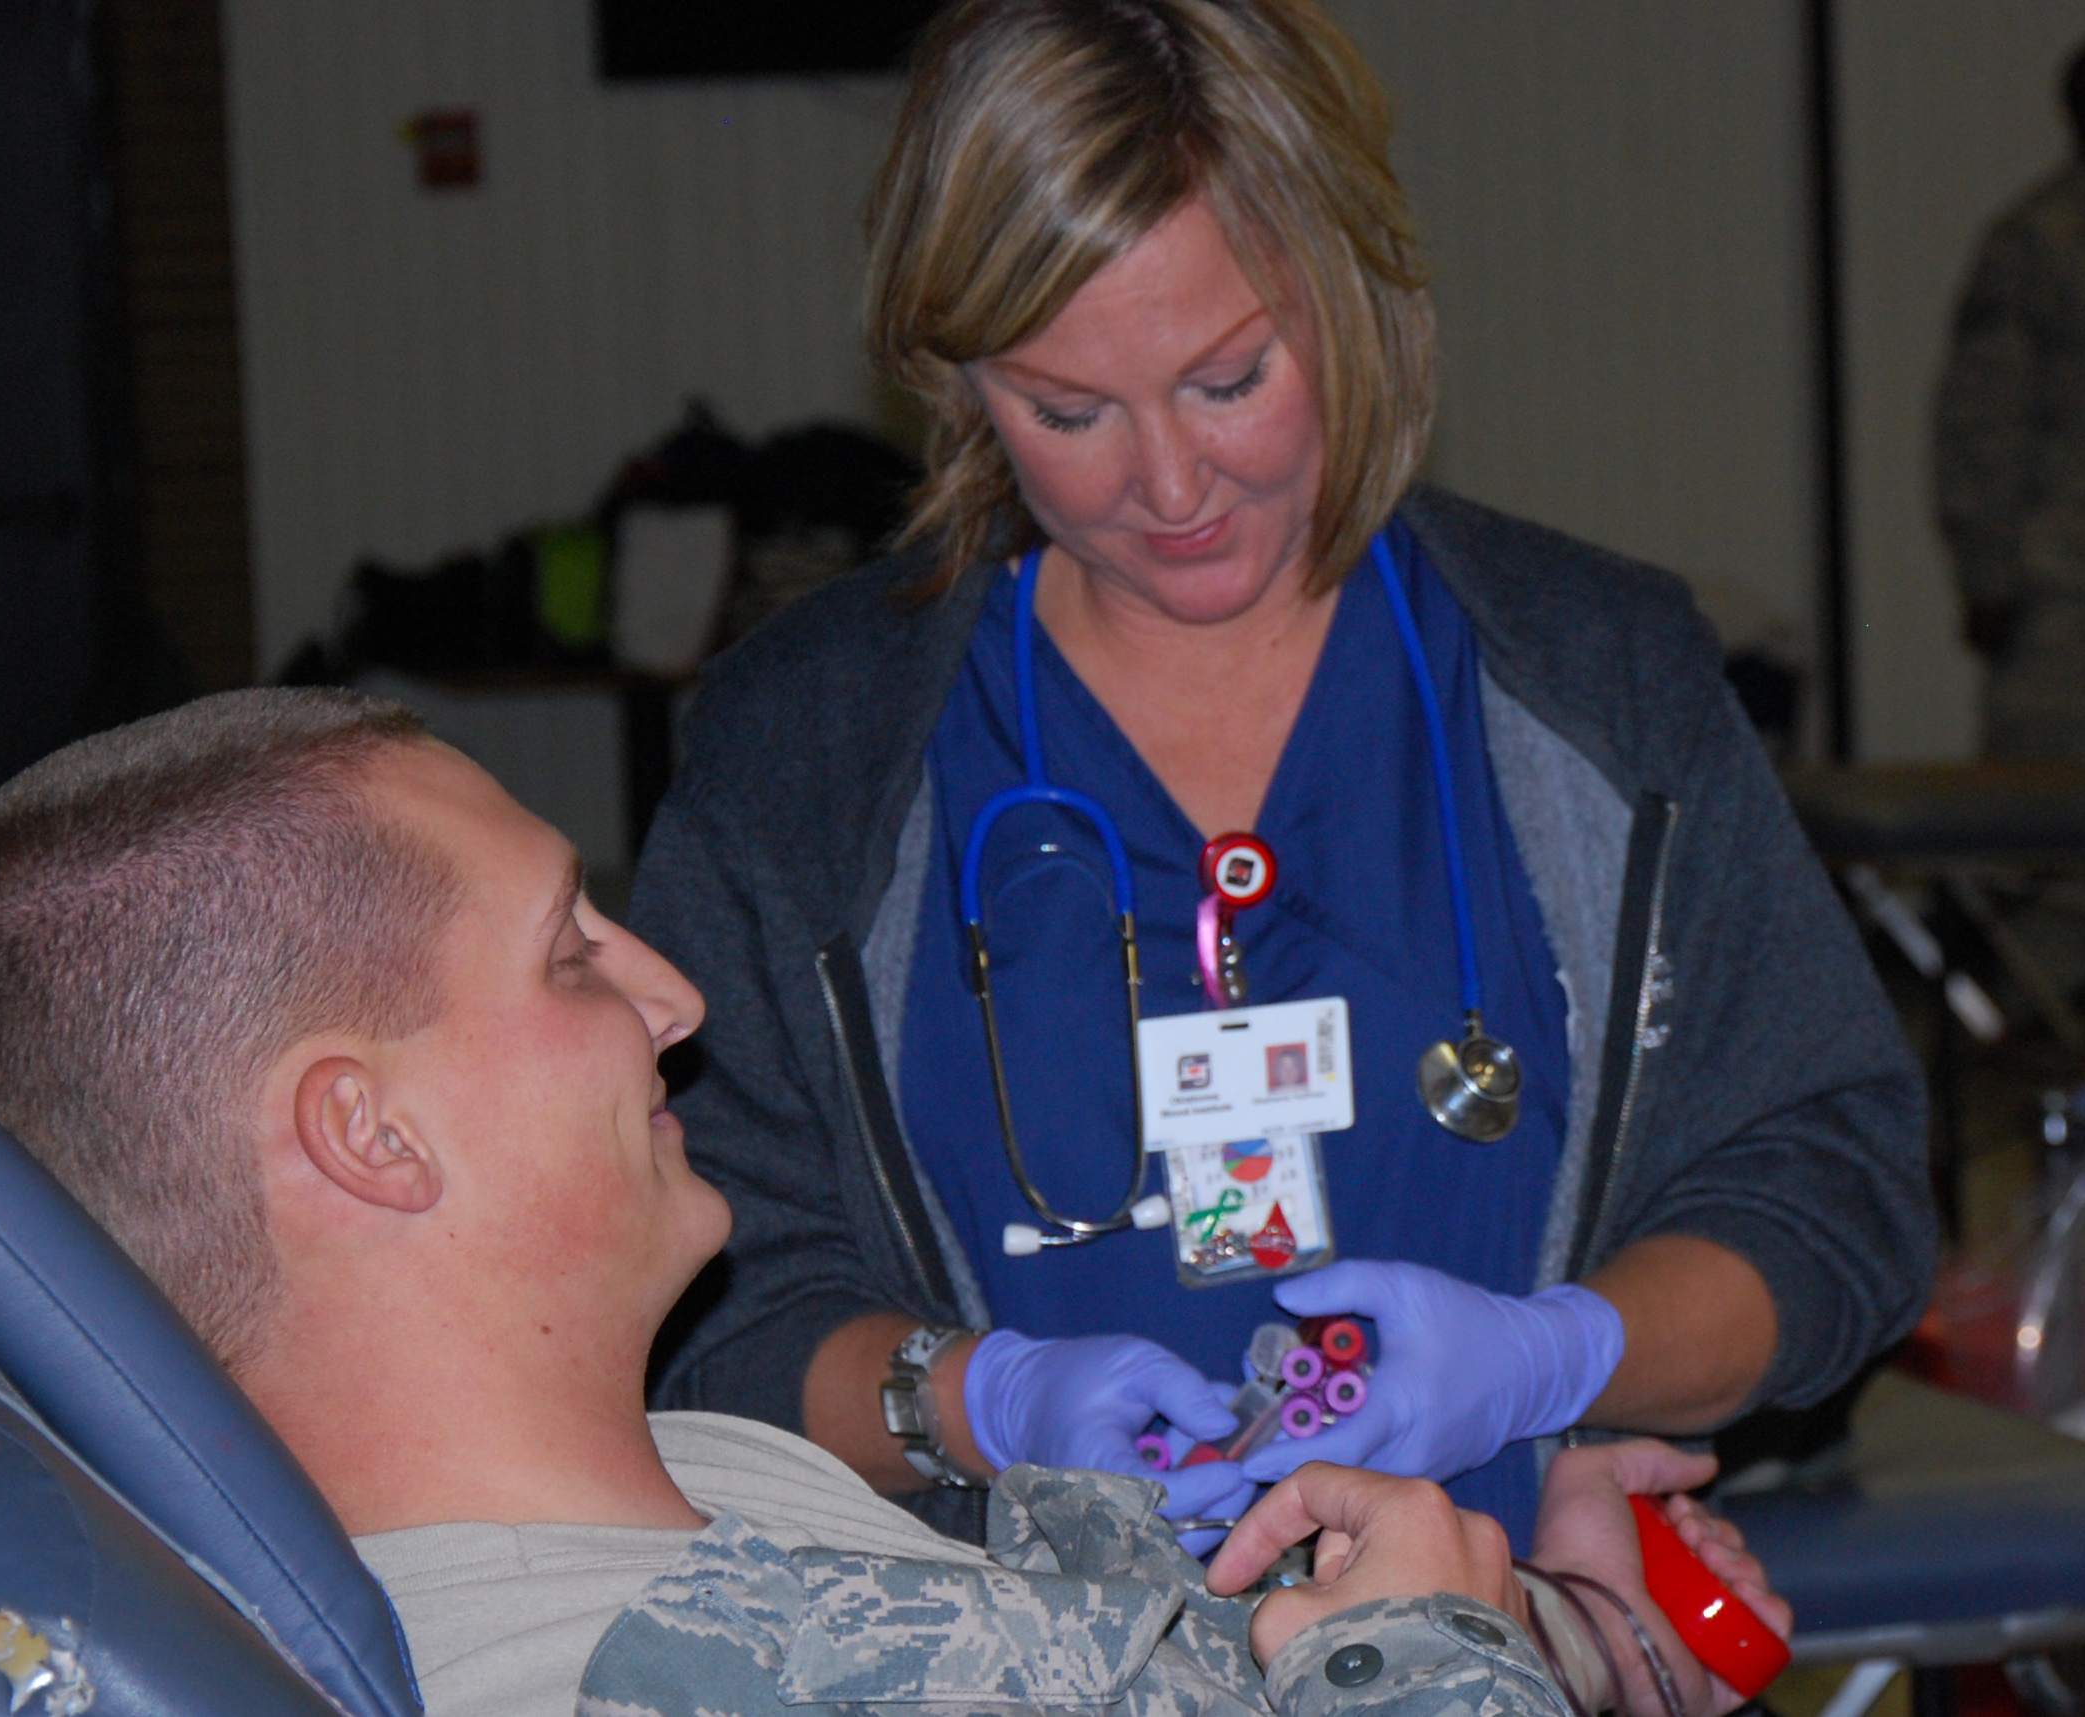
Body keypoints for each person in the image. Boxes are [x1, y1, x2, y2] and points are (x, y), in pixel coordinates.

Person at [631, 0, 1933, 1552]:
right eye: (1067, 410)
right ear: (955, 380)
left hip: (1487, 1631)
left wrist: (1559, 1363)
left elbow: (1829, 1194)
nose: (1171, 484)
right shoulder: (808, 753)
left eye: (1230, 378)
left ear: (1348, 292)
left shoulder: (1595, 684)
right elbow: (691, 1311)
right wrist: (974, 1403)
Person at [0, 688, 1789, 1717]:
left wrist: (1562, 1623)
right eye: (569, 954)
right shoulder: (643, 1682)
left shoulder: (691, 1487)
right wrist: (1434, 1663)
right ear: (368, 1134)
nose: (671, 997)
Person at [1937, 35, 2085, 758]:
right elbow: (1983, 419)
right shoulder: (2033, 242)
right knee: (2050, 798)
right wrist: (1987, 577)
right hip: (2071, 589)